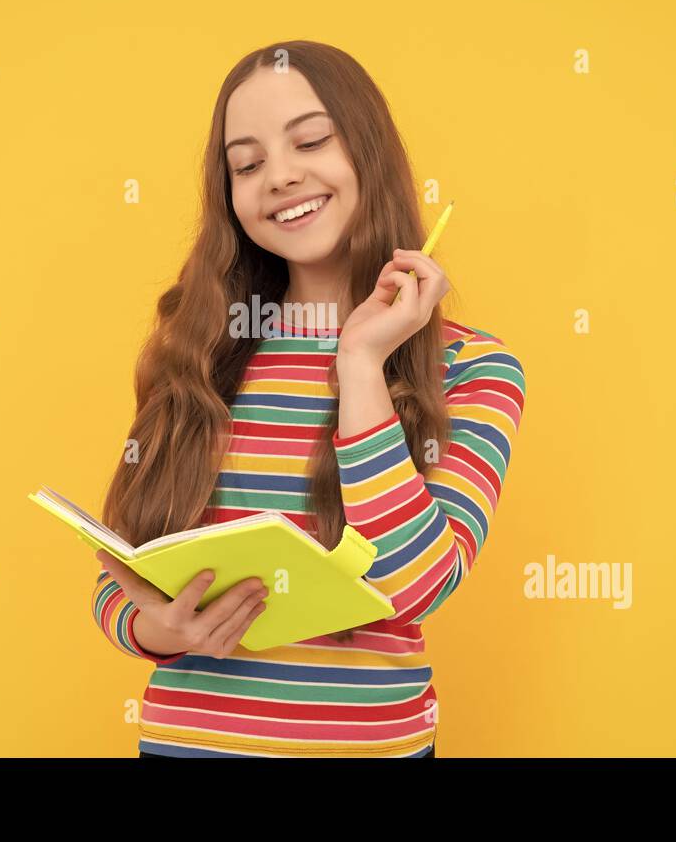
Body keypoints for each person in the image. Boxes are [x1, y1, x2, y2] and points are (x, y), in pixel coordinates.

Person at [90, 39, 525, 757]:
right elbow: (120, 575)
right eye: (247, 164)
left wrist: (360, 362)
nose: (281, 177)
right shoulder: (199, 352)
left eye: (311, 141)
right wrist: (155, 629)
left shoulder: (473, 366)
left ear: (368, 151)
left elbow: (417, 584)